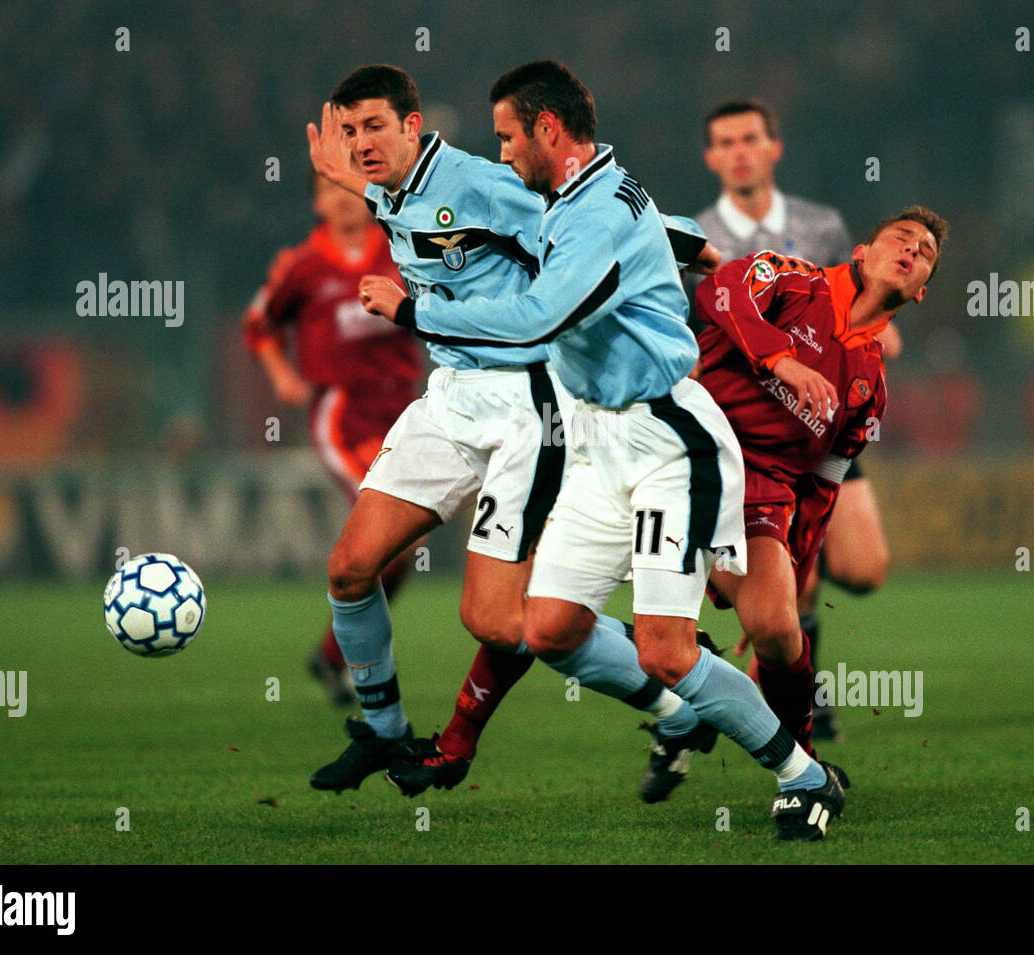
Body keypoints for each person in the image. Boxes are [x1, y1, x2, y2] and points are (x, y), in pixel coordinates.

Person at [364, 60, 848, 840]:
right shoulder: (583, 192)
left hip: (667, 442)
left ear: (548, 130)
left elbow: (534, 320)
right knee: (547, 626)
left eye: (508, 136)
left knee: (664, 650)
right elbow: (666, 233)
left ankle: (804, 774)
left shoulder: (592, 217)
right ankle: (705, 701)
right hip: (597, 441)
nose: (501, 154)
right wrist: (699, 253)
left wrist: (413, 311)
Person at [305, 64, 719, 796]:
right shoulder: (388, 188)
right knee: (349, 567)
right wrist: (344, 176)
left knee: (502, 622)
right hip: (450, 396)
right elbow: (391, 196)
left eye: (375, 126)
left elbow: (587, 222)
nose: (361, 143)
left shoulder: (478, 183)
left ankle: (674, 690)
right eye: (349, 131)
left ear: (413, 125)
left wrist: (688, 243)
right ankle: (384, 730)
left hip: (528, 401)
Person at [693, 208, 948, 768]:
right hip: (690, 446)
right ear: (860, 251)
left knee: (779, 631)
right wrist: (781, 361)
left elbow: (821, 493)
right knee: (558, 612)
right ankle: (685, 694)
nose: (911, 251)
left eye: (924, 253)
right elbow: (718, 291)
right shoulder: (794, 278)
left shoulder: (870, 388)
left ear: (922, 292)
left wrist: (794, 577)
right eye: (900, 239)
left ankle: (802, 769)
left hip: (761, 489)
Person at [695, 99, 900, 741]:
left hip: (823, 420)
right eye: (725, 142)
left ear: (774, 147)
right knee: (787, 572)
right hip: (744, 433)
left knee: (864, 570)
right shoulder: (694, 232)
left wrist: (877, 339)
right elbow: (693, 322)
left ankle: (773, 643)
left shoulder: (821, 226)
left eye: (750, 138)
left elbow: (861, 303)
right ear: (711, 157)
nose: (739, 151)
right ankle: (800, 696)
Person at [241, 169, 422, 706]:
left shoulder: (400, 249)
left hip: (405, 410)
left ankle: (332, 655)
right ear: (317, 204)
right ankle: (355, 661)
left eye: (349, 192)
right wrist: (281, 374)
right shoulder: (303, 265)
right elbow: (260, 323)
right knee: (388, 531)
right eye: (328, 193)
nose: (341, 203)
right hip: (343, 412)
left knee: (403, 550)